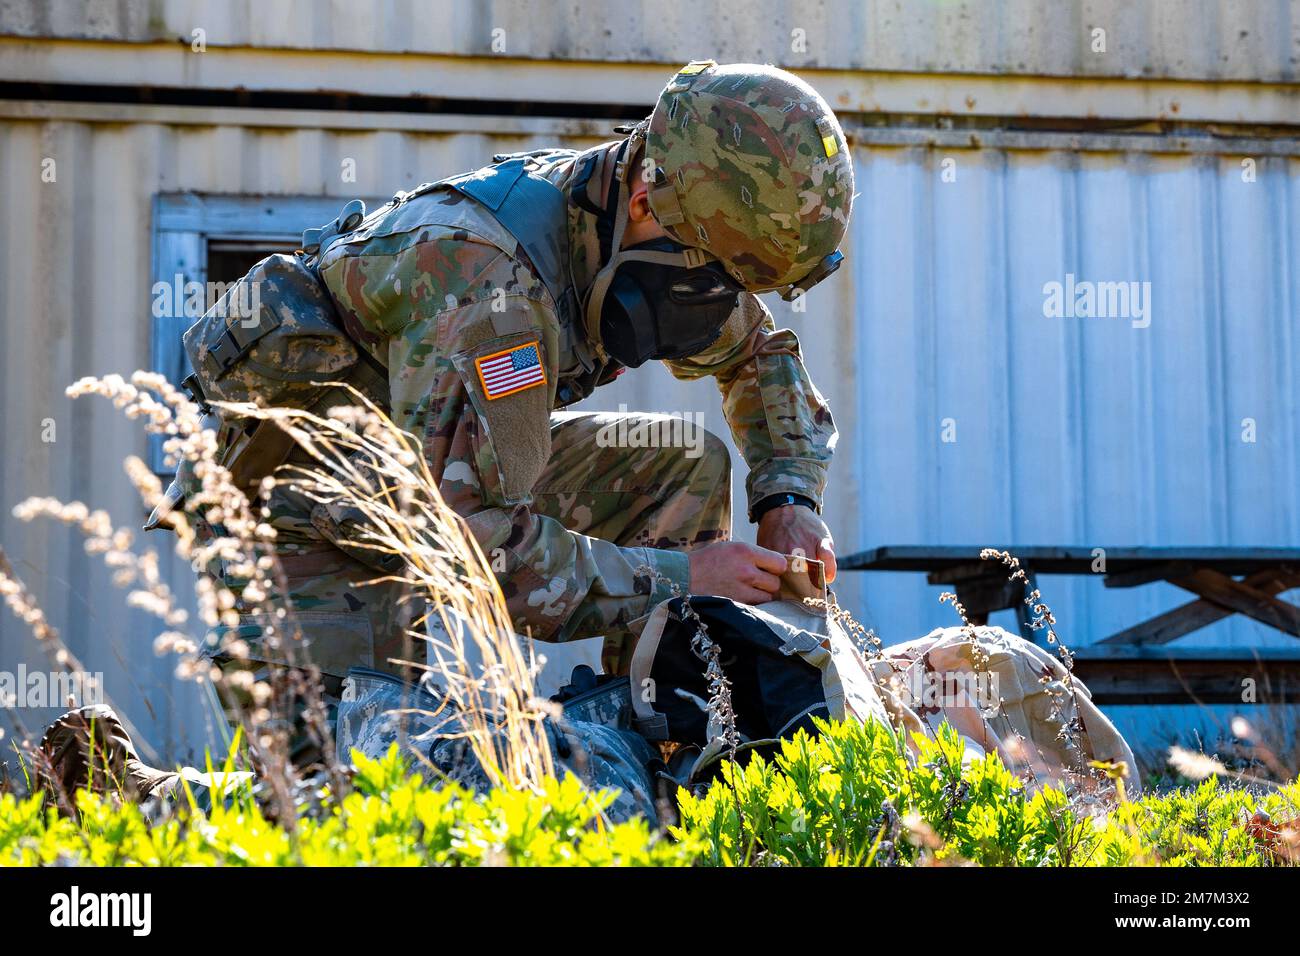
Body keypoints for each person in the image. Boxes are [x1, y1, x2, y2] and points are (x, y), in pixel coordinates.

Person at [159, 60, 854, 718]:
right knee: (336, 788)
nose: (723, 302)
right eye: (717, 278)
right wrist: (687, 576)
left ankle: (666, 732)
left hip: (424, 472)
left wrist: (787, 496)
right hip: (300, 507)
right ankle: (124, 787)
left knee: (677, 461)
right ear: (646, 199)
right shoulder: (491, 284)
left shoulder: (649, 225)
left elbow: (758, 356)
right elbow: (476, 542)